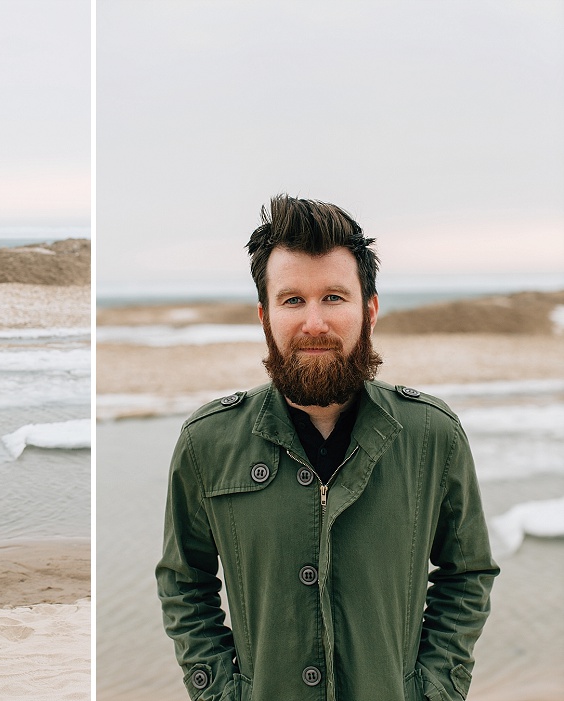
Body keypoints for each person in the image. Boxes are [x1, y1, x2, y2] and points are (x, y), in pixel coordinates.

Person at [156, 195, 498, 700]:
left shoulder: (432, 435)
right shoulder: (207, 442)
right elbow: (185, 583)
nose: (314, 322)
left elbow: (467, 575)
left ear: (370, 309)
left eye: (334, 298)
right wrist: (220, 692)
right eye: (292, 299)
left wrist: (435, 690)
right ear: (265, 315)